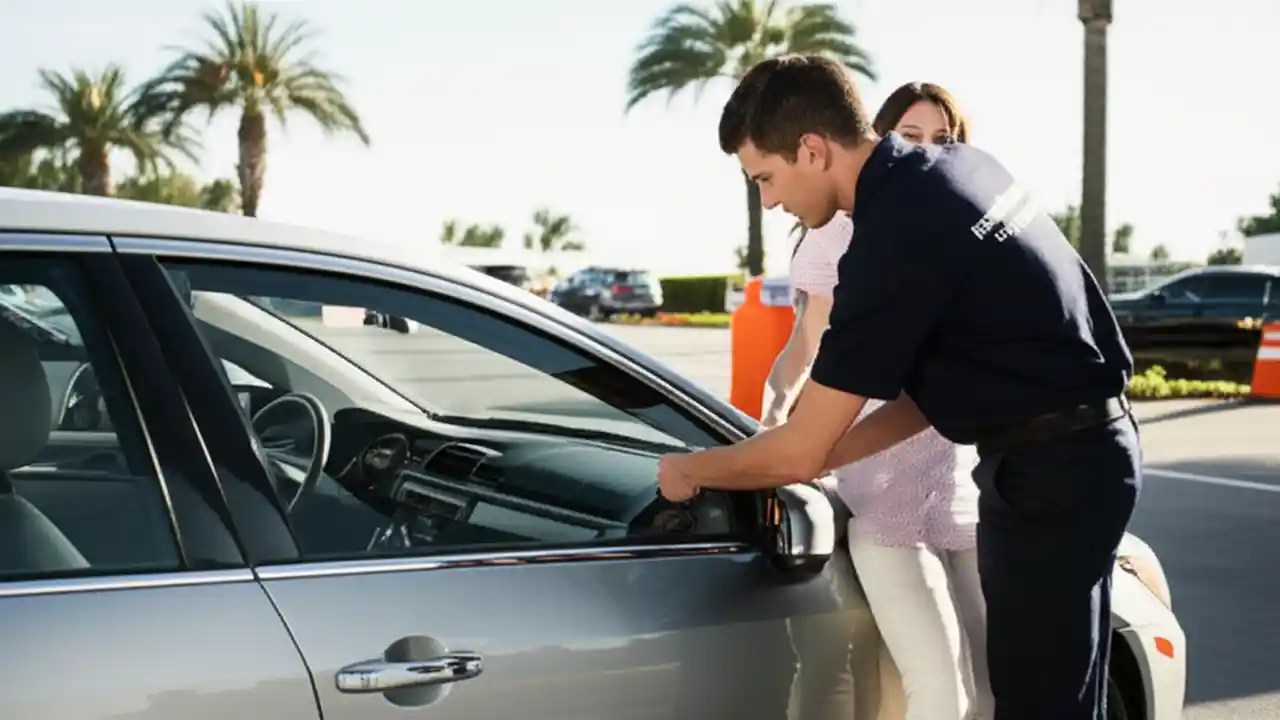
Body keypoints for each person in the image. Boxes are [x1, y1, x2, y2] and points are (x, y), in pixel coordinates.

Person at [658, 55, 1140, 720]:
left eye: (766, 178)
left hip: (1050, 471)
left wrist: (691, 469)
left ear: (812, 149)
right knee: (1059, 696)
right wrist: (824, 452)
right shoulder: (959, 171)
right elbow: (930, 398)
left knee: (1037, 703)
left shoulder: (892, 241)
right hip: (1086, 452)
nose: (769, 200)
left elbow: (798, 451)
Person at [758, 80, 992, 720]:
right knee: (943, 697)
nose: (928, 151)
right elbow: (803, 348)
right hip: (881, 490)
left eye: (944, 140)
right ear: (881, 140)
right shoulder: (836, 234)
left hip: (959, 484)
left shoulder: (955, 228)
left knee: (992, 693)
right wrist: (772, 428)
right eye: (911, 137)